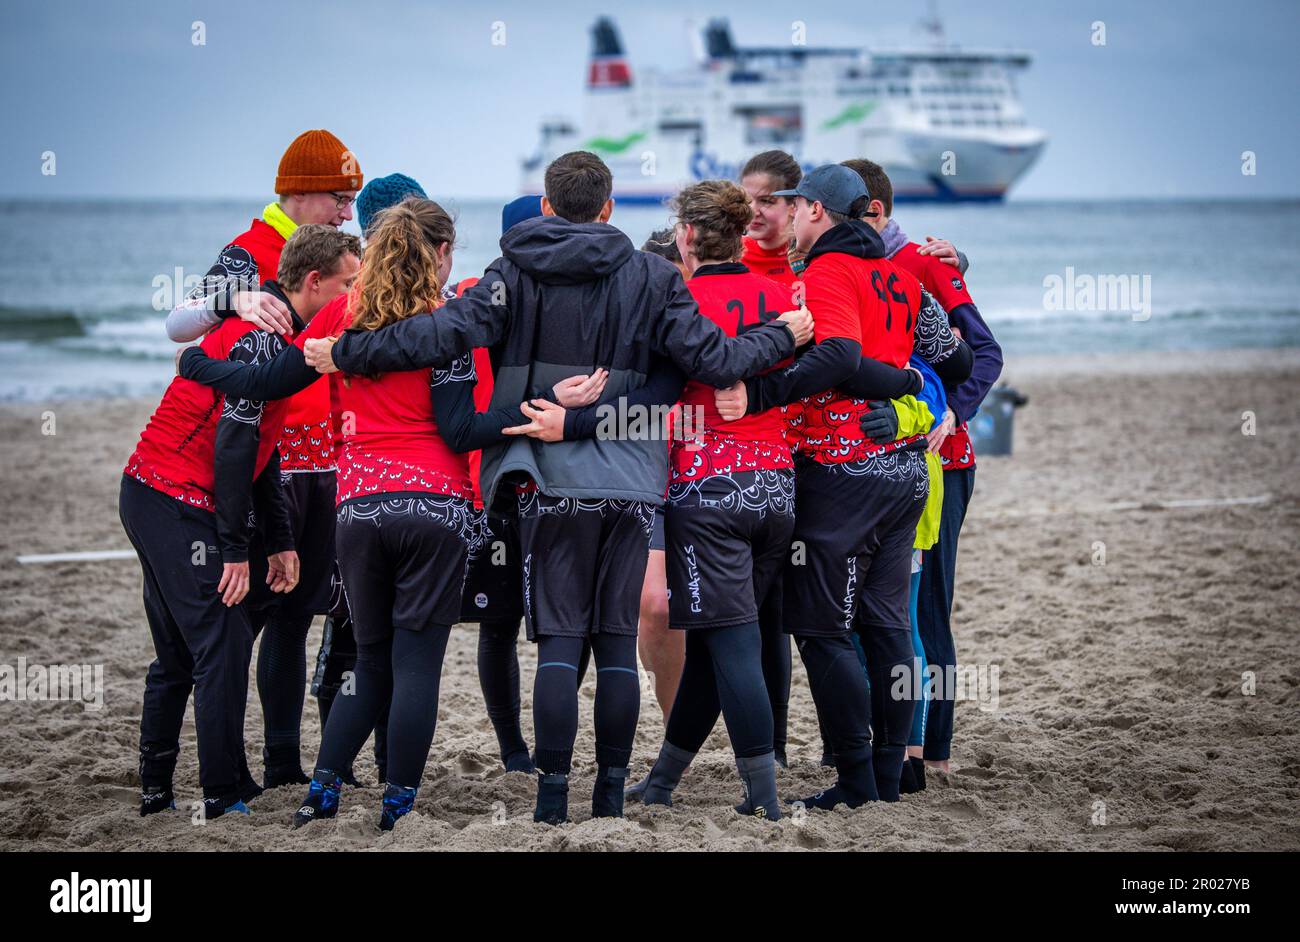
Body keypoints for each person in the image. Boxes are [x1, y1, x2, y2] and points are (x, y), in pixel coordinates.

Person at [303, 151, 812, 824]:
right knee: (613, 644)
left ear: (547, 206)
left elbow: (438, 332)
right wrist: (784, 332)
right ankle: (610, 797)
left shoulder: (510, 275)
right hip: (631, 484)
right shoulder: (653, 278)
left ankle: (548, 803)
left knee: (559, 645)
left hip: (543, 481)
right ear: (608, 208)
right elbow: (707, 364)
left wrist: (350, 350)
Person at [714, 164, 968, 806]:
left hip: (839, 470)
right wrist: (908, 383)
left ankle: (854, 780)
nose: (788, 219)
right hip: (905, 473)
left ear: (819, 213)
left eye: (794, 208)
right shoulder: (898, 276)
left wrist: (762, 391)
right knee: (885, 626)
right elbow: (958, 358)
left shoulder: (826, 273)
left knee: (823, 629)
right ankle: (887, 777)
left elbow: (837, 357)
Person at [122, 224, 361, 819]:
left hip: (167, 491)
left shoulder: (291, 338)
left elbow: (265, 449)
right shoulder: (262, 336)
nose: (354, 298)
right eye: (347, 285)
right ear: (313, 282)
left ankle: (157, 793)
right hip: (167, 492)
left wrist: (278, 542)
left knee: (180, 651)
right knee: (222, 644)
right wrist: (234, 550)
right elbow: (233, 448)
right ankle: (222, 792)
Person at [162, 129, 364, 787]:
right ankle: (223, 768)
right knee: (241, 621)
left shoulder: (338, 255)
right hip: (261, 460)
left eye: (352, 199)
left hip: (320, 461)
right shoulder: (246, 251)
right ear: (303, 194)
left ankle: (283, 763)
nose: (345, 212)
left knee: (297, 615)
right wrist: (232, 298)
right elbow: (180, 322)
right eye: (339, 198)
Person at [622, 181, 798, 820]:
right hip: (776, 488)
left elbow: (650, 388)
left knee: (731, 645)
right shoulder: (781, 297)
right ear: (743, 233)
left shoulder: (679, 300)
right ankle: (664, 780)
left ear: (688, 237)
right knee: (712, 641)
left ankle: (765, 799)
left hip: (707, 494)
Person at [841, 158, 1004, 774]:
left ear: (873, 213)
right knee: (870, 610)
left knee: (924, 609)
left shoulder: (925, 262)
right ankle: (880, 742)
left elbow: (985, 352)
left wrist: (952, 417)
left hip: (941, 459)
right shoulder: (835, 269)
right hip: (871, 458)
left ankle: (932, 752)